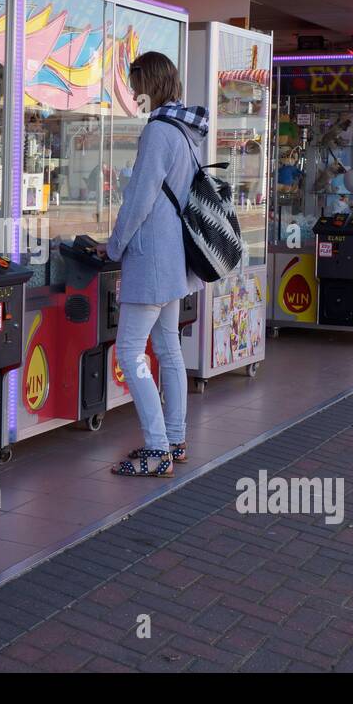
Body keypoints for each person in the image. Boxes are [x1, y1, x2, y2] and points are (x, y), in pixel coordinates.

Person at [107, 51, 207, 478]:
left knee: (130, 352)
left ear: (150, 82)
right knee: (168, 349)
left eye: (135, 83)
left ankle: (156, 449)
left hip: (151, 261)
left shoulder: (158, 131)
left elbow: (139, 200)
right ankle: (176, 437)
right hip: (177, 262)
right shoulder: (186, 131)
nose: (132, 92)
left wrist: (113, 248)